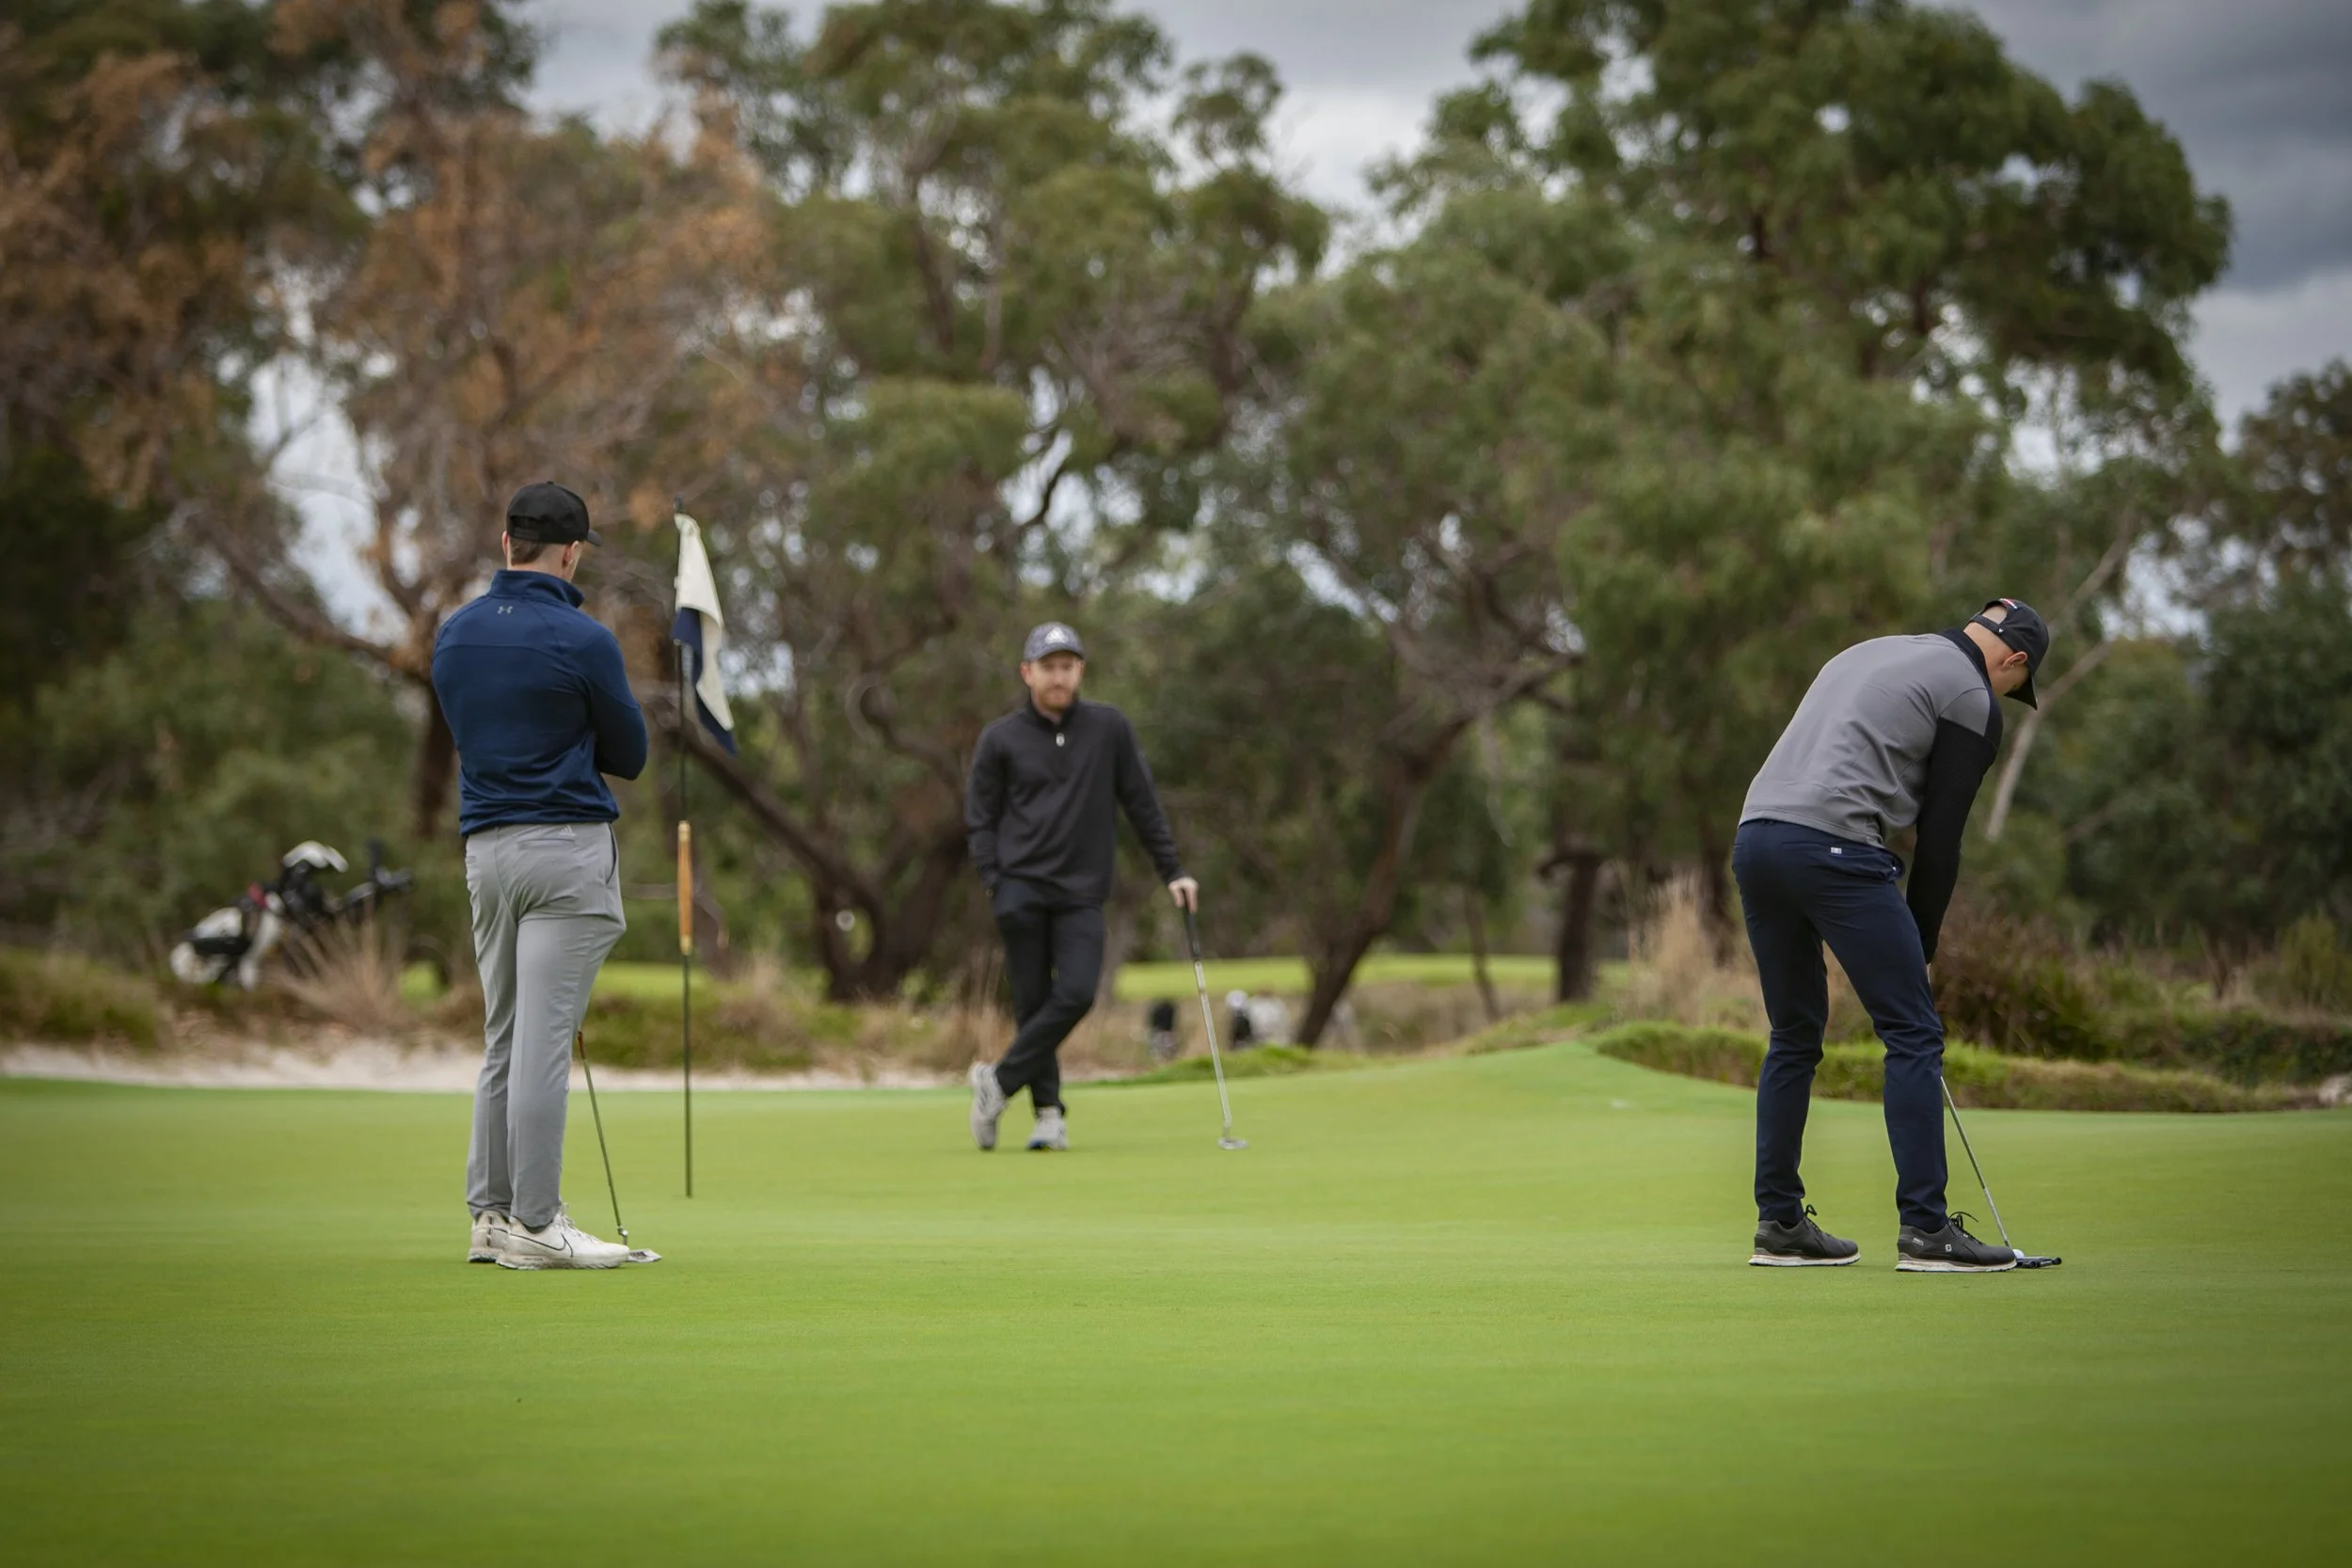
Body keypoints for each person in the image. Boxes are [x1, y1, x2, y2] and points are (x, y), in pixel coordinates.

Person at [1734, 599, 2049, 1273]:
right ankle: (1927, 1230)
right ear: (2014, 660)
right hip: (1833, 847)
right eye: (2017, 685)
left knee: (1794, 1034)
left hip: (1756, 839)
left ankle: (1779, 1223)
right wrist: (1922, 943)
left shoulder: (1873, 649)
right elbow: (1940, 840)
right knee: (1913, 1032)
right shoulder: (1972, 695)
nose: (2006, 695)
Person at [431, 482, 648, 1269]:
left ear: (506, 542)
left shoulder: (454, 634)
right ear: (572, 553)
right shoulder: (583, 639)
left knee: (505, 1034)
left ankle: (490, 1217)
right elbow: (630, 754)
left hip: (485, 853)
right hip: (563, 850)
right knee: (543, 1044)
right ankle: (537, 1221)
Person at [964, 622, 1197, 1150]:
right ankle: (1049, 1116)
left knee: (1074, 994)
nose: (1058, 677)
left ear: (1080, 671)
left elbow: (1142, 803)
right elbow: (980, 817)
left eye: (1067, 667)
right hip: (1019, 888)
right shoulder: (1000, 738)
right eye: (1048, 667)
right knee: (1032, 1004)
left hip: (1080, 891)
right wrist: (993, 880)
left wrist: (1173, 870)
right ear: (1027, 673)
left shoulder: (1108, 728)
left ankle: (997, 1083)